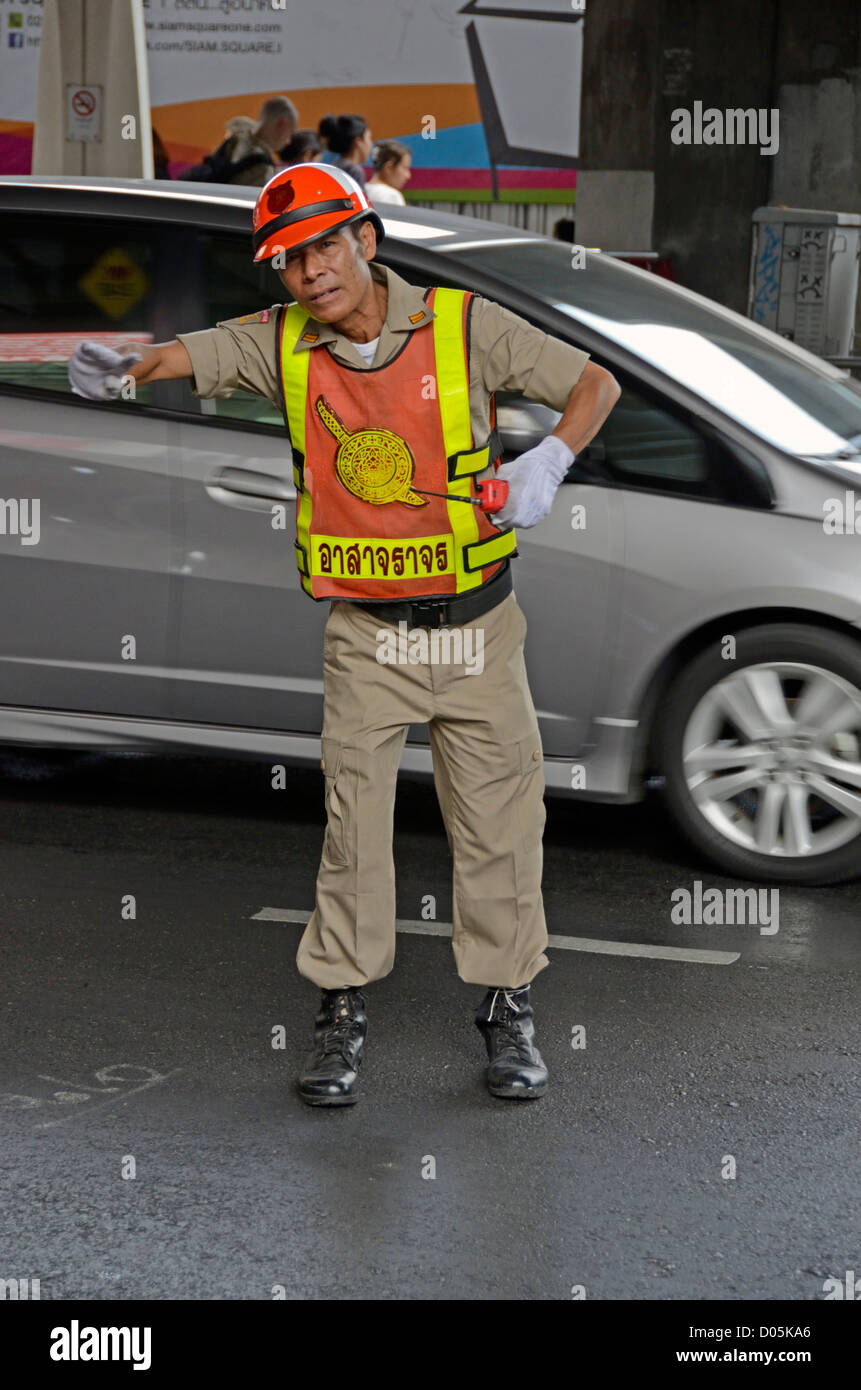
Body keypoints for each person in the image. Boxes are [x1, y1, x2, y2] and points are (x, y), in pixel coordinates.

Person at [67, 164, 620, 1108]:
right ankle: (339, 1009)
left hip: (477, 631)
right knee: (352, 834)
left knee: (499, 832)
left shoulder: (462, 325)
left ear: (365, 240)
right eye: (287, 260)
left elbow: (594, 382)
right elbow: (177, 359)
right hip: (367, 635)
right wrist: (118, 371)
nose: (310, 273)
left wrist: (549, 461)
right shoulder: (282, 345)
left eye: (324, 245)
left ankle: (505, 1006)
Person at [187, 97, 299, 186]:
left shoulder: (238, 135)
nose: (288, 141)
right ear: (281, 124)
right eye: (290, 133)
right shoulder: (261, 168)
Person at [318, 113, 372, 188]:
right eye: (369, 138)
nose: (370, 143)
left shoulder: (333, 167)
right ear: (358, 142)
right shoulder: (355, 171)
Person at [366, 140, 412, 206]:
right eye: (405, 168)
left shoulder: (362, 191)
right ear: (388, 168)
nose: (408, 175)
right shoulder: (392, 196)